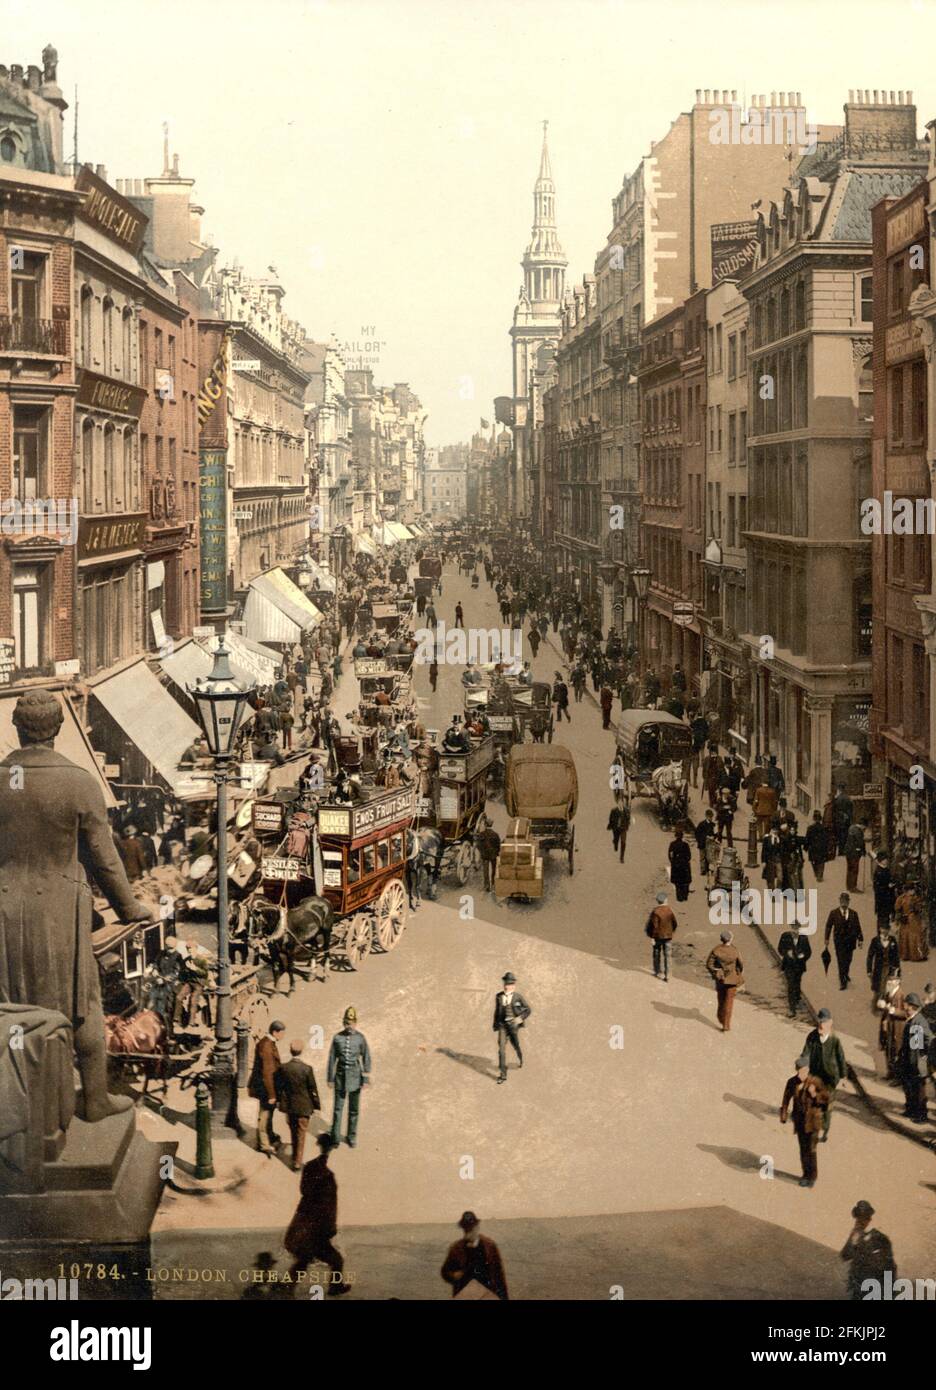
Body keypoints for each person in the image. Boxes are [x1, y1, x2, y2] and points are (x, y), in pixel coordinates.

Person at [284, 1133, 350, 1295]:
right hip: (317, 1227)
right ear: (332, 1148)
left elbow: (304, 1190)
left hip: (303, 1222)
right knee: (335, 1260)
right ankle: (334, 1287)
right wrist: (330, 1228)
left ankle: (287, 1288)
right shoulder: (328, 1176)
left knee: (304, 1260)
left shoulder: (309, 1167)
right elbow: (329, 1207)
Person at [780, 1054, 829, 1188]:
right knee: (803, 1149)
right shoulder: (792, 1082)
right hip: (800, 1120)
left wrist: (815, 1095)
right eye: (800, 1071)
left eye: (805, 1071)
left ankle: (812, 1176)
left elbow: (826, 1100)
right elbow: (786, 1098)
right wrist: (783, 1114)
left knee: (811, 1149)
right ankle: (805, 1174)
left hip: (813, 1121)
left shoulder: (815, 1082)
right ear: (797, 1070)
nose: (803, 1074)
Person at [327, 1006, 372, 1147]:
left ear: (356, 1023)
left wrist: (365, 1079)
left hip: (355, 1077)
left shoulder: (360, 1039)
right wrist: (330, 1078)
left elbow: (366, 1058)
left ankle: (351, 1137)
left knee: (354, 1110)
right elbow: (332, 1058)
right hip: (340, 1077)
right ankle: (335, 1137)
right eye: (347, 1023)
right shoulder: (337, 1038)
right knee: (337, 1109)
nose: (349, 1026)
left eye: (351, 1023)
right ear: (343, 1023)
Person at [441, 1212, 509, 1300]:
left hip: (488, 1294)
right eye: (465, 1230)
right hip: (465, 1295)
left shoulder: (489, 1246)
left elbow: (499, 1276)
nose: (467, 1233)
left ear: (477, 1228)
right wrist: (454, 1275)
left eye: (470, 1229)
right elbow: (445, 1271)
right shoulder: (456, 1249)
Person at [276, 1040, 322, 1171]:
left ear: (291, 1051)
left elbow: (280, 1087)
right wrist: (317, 1106)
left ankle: (295, 1156)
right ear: (302, 1051)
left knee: (293, 1131)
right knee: (301, 1134)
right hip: (304, 1107)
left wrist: (281, 1102)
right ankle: (297, 1162)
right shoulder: (307, 1069)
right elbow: (313, 1089)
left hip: (290, 1107)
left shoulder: (283, 1068)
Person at [804, 1009, 847, 1141]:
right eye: (819, 1022)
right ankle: (813, 1128)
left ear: (830, 1023)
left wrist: (843, 1076)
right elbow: (805, 1054)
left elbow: (841, 1058)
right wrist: (804, 1071)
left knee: (827, 1105)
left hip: (830, 1078)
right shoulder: (812, 1037)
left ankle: (825, 1130)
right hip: (816, 1076)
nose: (821, 1025)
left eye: (824, 1022)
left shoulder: (834, 1040)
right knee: (813, 1101)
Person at [840, 1202, 897, 1301]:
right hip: (859, 1287)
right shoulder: (857, 1235)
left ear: (869, 1218)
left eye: (862, 1218)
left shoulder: (880, 1238)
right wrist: (853, 1238)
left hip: (875, 1288)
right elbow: (845, 1255)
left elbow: (889, 1266)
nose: (858, 1222)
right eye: (858, 1218)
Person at [248, 1021, 286, 1156]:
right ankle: (264, 1144)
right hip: (265, 1089)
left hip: (267, 1087)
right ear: (275, 1032)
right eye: (282, 1033)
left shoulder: (267, 1042)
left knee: (269, 1113)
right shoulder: (267, 1047)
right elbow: (267, 1073)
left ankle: (269, 1135)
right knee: (264, 1116)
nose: (283, 1035)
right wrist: (272, 1095)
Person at [896, 993, 932, 1123]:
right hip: (910, 1061)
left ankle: (921, 1115)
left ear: (911, 1006)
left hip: (916, 1063)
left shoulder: (917, 1022)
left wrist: (923, 1057)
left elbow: (917, 1046)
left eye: (906, 1004)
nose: (904, 1006)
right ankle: (911, 1110)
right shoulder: (912, 1019)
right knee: (910, 1087)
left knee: (918, 1089)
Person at [493, 971, 531, 1084]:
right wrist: (495, 1024)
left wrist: (519, 1020)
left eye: (509, 984)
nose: (507, 986)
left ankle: (520, 1058)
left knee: (516, 1045)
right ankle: (503, 1075)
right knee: (501, 1049)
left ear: (513, 985)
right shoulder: (498, 996)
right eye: (505, 983)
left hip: (513, 1026)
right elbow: (496, 1011)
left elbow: (528, 1009)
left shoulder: (518, 996)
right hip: (502, 1026)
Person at [824, 893, 864, 991]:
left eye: (846, 901)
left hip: (850, 941)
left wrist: (860, 939)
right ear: (840, 901)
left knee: (848, 960)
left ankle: (846, 973)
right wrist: (827, 938)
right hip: (839, 941)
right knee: (841, 960)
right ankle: (843, 981)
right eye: (842, 901)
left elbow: (858, 927)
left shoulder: (854, 914)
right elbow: (828, 926)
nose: (844, 903)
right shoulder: (834, 913)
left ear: (848, 902)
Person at [706, 931, 744, 1032]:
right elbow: (740, 964)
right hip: (732, 980)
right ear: (730, 939)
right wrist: (738, 973)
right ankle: (726, 1025)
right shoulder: (735, 950)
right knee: (729, 1002)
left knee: (721, 1000)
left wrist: (717, 972)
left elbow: (709, 964)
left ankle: (720, 1017)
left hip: (721, 980)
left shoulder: (716, 950)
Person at [777, 922, 812, 1017]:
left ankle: (797, 999)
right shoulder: (785, 936)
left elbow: (808, 952)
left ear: (799, 929)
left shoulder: (804, 938)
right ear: (790, 928)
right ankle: (792, 1009)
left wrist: (803, 956)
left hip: (799, 966)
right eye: (793, 928)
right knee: (791, 985)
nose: (794, 930)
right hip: (788, 965)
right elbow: (780, 949)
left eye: (796, 928)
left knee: (797, 983)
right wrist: (787, 953)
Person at [866, 922, 900, 1004]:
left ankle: (888, 1003)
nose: (885, 931)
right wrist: (869, 970)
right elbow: (870, 956)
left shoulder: (893, 940)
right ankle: (879, 1003)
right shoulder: (875, 941)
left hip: (890, 967)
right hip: (879, 968)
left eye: (886, 929)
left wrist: (897, 968)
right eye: (883, 929)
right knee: (880, 986)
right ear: (880, 929)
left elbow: (896, 955)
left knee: (890, 986)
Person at [646, 891, 677, 982]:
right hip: (668, 936)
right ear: (666, 900)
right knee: (668, 955)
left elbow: (654, 926)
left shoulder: (655, 911)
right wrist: (671, 931)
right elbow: (675, 923)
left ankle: (657, 971)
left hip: (657, 937)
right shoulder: (670, 910)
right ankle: (668, 974)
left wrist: (652, 937)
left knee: (656, 954)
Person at [894, 883, 928, 962]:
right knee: (914, 937)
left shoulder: (902, 898)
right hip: (911, 919)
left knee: (907, 936)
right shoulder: (912, 898)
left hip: (908, 919)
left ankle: (907, 954)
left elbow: (897, 908)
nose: (913, 891)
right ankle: (915, 955)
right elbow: (918, 908)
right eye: (912, 890)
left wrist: (901, 915)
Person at [872, 852, 897, 931]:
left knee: (885, 919)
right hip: (882, 900)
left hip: (887, 899)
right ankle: (881, 934)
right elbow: (877, 888)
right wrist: (888, 886)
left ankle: (884, 932)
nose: (886, 861)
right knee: (882, 919)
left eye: (886, 859)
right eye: (884, 859)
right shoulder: (879, 871)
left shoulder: (885, 869)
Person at [667, 826, 692, 902]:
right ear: (682, 836)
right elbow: (689, 856)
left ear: (676, 836)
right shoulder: (685, 845)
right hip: (684, 866)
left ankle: (679, 897)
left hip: (676, 866)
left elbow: (670, 855)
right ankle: (685, 896)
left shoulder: (672, 844)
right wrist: (685, 862)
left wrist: (673, 862)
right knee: (684, 882)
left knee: (677, 883)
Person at [804, 810, 829, 883]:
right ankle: (820, 875)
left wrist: (806, 847)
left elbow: (807, 838)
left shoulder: (810, 828)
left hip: (813, 848)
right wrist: (827, 847)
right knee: (821, 862)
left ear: (813, 819)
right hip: (821, 848)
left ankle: (816, 872)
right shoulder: (824, 828)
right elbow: (826, 839)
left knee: (813, 861)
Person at [477, 818, 501, 892]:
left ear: (485, 825)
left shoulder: (481, 834)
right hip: (493, 855)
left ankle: (486, 886)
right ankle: (493, 884)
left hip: (485, 856)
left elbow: (478, 845)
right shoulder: (495, 834)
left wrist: (482, 853)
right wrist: (496, 853)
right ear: (491, 825)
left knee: (485, 871)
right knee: (493, 870)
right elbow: (498, 846)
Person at [695, 808, 718, 886]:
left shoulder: (713, 825)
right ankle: (703, 870)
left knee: (709, 856)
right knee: (702, 857)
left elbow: (716, 834)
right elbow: (697, 833)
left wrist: (714, 837)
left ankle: (707, 869)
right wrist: (704, 838)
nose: (710, 818)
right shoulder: (701, 824)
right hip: (702, 843)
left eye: (711, 817)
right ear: (706, 816)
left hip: (710, 844)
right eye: (709, 817)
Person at [832, 785, 853, 856]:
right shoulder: (848, 798)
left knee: (839, 836)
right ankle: (844, 850)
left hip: (838, 820)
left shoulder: (837, 799)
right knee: (845, 835)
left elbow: (834, 809)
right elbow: (851, 809)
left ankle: (840, 851)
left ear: (839, 790)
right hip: (846, 820)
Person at [761, 824, 783, 890]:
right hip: (769, 860)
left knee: (780, 877)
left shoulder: (780, 839)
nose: (775, 832)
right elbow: (764, 851)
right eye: (774, 830)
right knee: (771, 878)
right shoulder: (767, 839)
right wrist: (764, 861)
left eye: (776, 830)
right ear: (771, 830)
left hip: (778, 860)